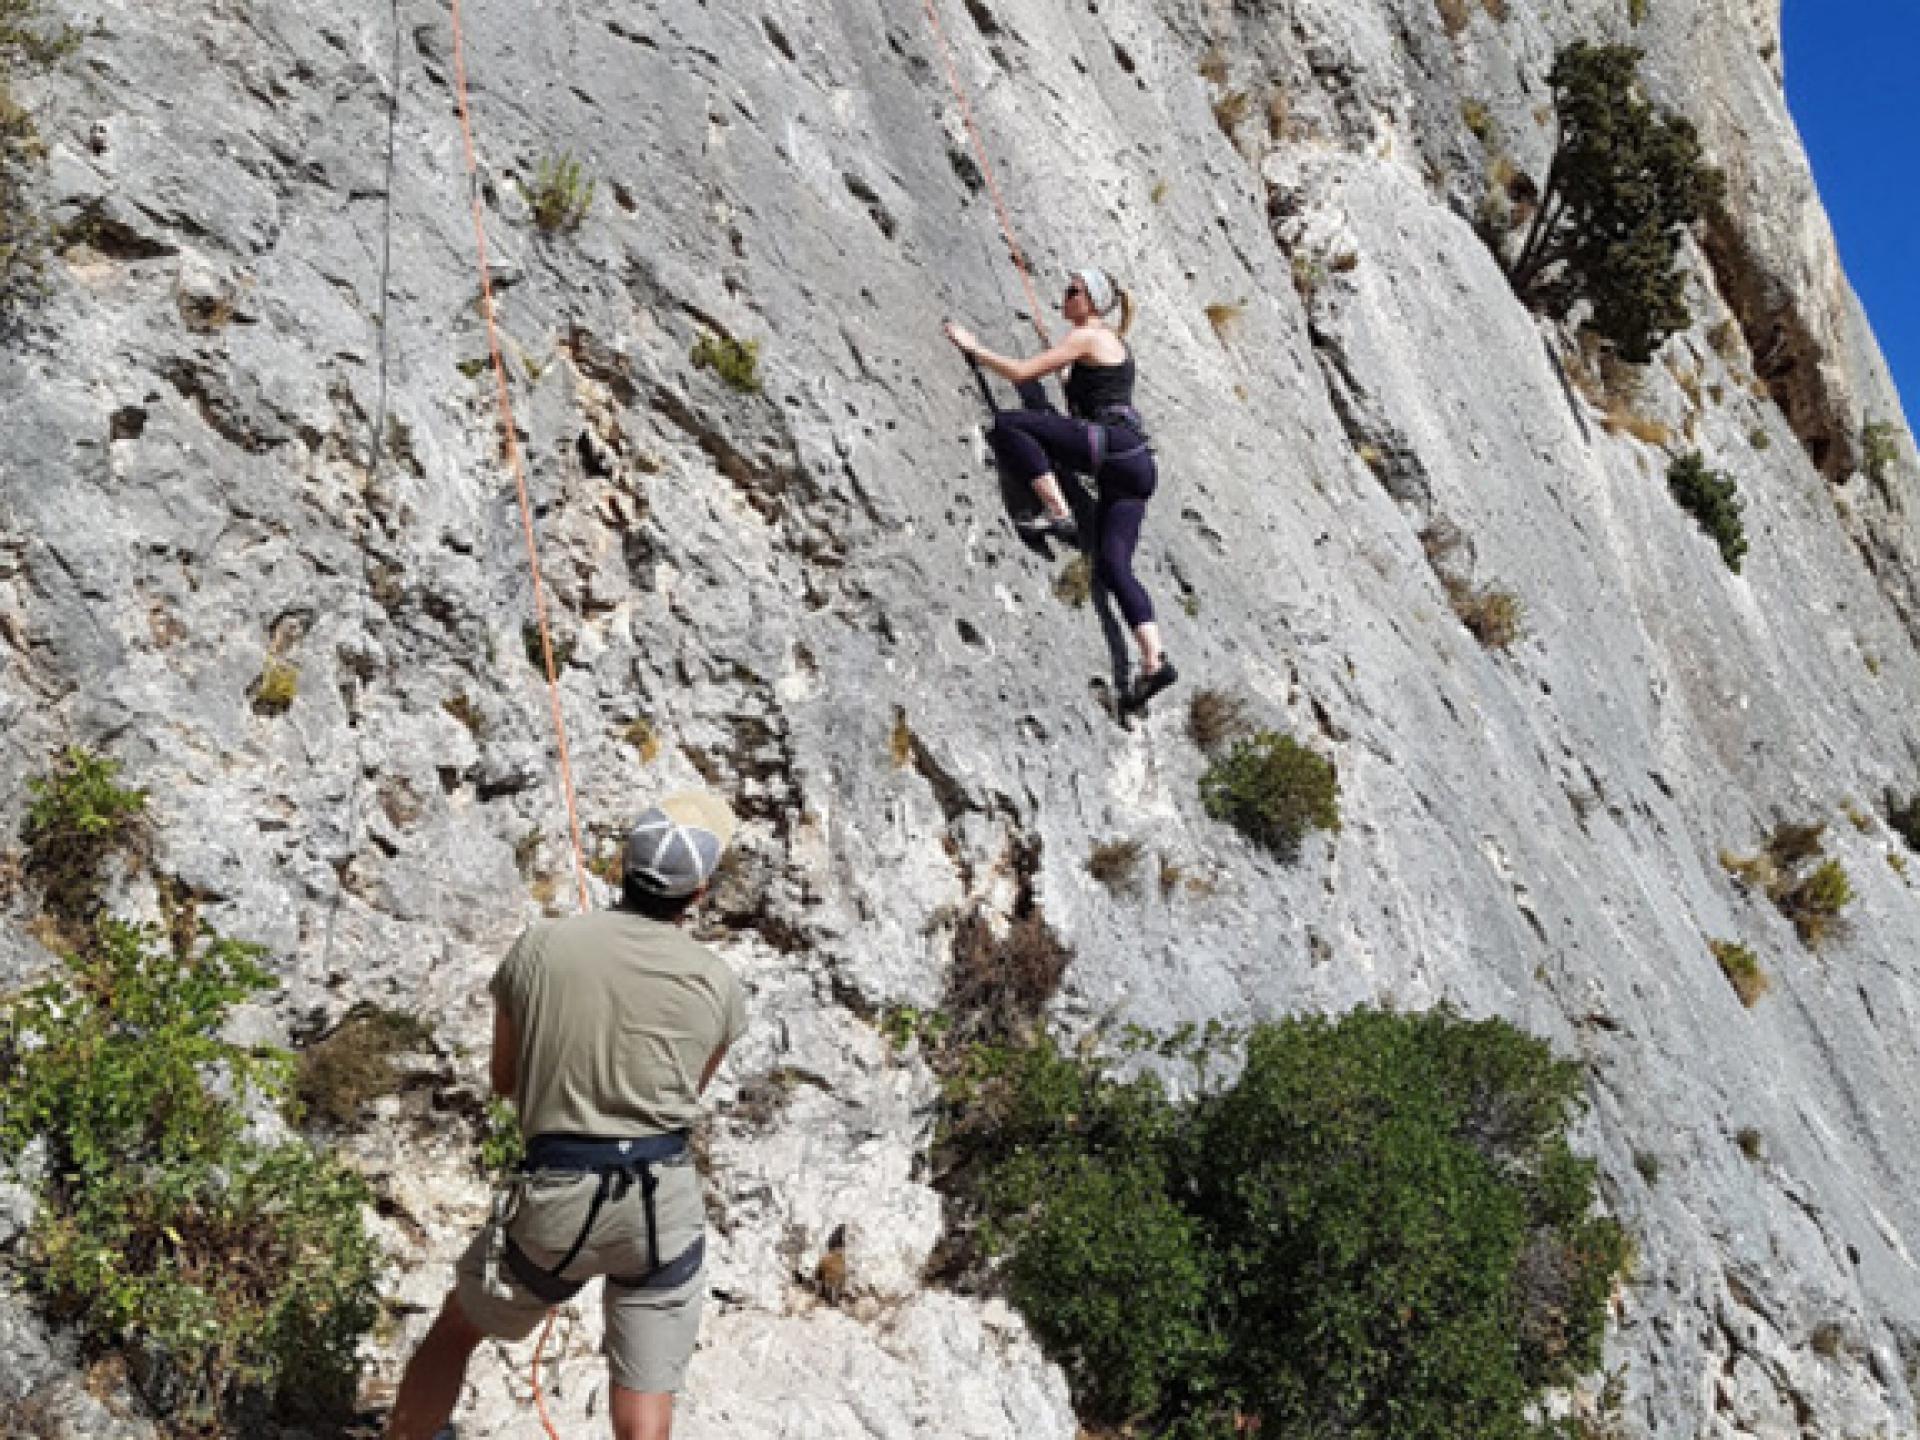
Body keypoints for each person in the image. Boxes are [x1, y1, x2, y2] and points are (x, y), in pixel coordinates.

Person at [386, 791, 748, 1440]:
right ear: (698, 894)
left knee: (455, 1330)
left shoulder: (541, 946)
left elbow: (505, 1080)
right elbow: (684, 1093)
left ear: (619, 868)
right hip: (658, 1206)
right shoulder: (717, 982)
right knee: (645, 1399)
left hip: (558, 1202)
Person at [945, 266, 1178, 711]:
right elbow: (1087, 393)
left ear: (1088, 300)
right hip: (1135, 466)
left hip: (1109, 450)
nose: (1064, 296)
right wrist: (1063, 367)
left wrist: (975, 349)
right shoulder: (1110, 342)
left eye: (1072, 291)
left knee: (1010, 426)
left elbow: (1019, 374)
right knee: (1114, 568)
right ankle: (1153, 659)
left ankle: (1057, 511)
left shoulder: (1087, 339)